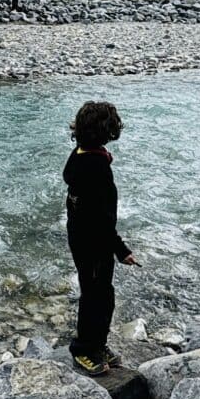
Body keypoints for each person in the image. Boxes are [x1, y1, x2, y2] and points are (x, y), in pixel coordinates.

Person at [65, 101, 138, 375]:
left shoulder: (80, 156)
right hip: (93, 240)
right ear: (106, 132)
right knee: (97, 296)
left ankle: (98, 343)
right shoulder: (97, 169)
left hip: (80, 236)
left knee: (98, 293)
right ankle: (84, 349)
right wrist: (120, 249)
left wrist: (101, 155)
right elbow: (102, 218)